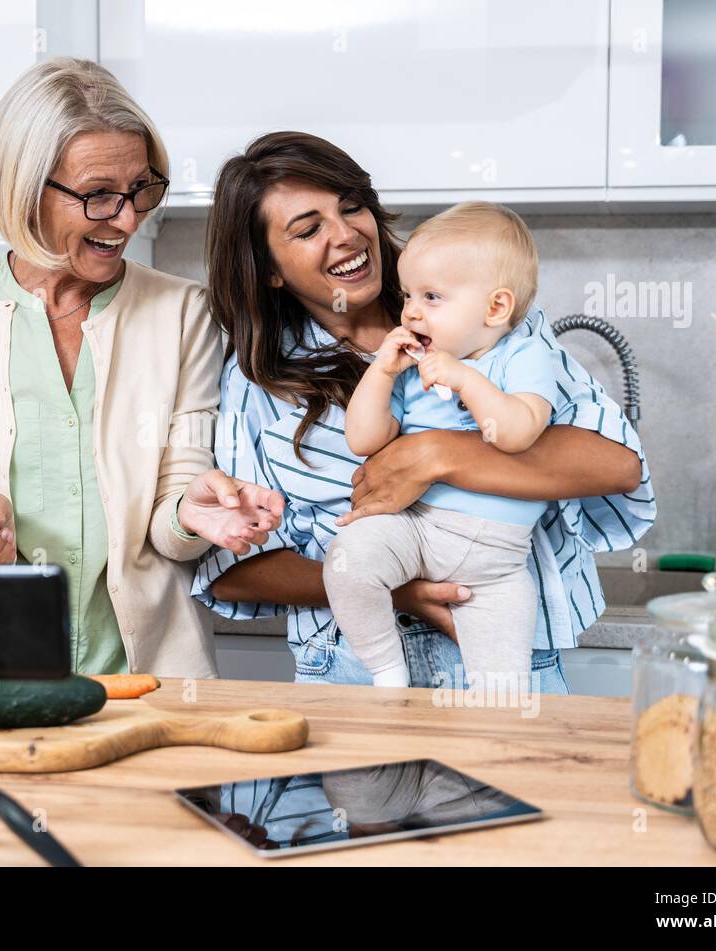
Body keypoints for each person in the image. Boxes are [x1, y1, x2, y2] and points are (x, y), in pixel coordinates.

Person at [193, 131, 655, 693]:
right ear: (269, 268)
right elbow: (233, 572)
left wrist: (435, 455)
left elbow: (616, 465)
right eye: (308, 229)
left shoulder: (488, 324)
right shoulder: (256, 380)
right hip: (353, 663)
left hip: (507, 648)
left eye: (351, 206)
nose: (345, 235)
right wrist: (394, 587)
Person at [0, 58, 282, 678]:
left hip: (147, 676)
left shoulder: (183, 312)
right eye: (98, 194)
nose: (127, 218)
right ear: (24, 188)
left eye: (142, 189)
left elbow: (171, 517)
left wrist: (192, 514)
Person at [327, 201, 557, 691]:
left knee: (503, 694)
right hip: (419, 530)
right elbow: (364, 439)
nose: (410, 311)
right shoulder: (419, 363)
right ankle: (386, 672)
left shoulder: (525, 355)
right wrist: (382, 372)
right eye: (408, 294)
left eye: (432, 296)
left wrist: (466, 381)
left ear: (495, 308)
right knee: (350, 558)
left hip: (498, 567)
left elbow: (518, 432)